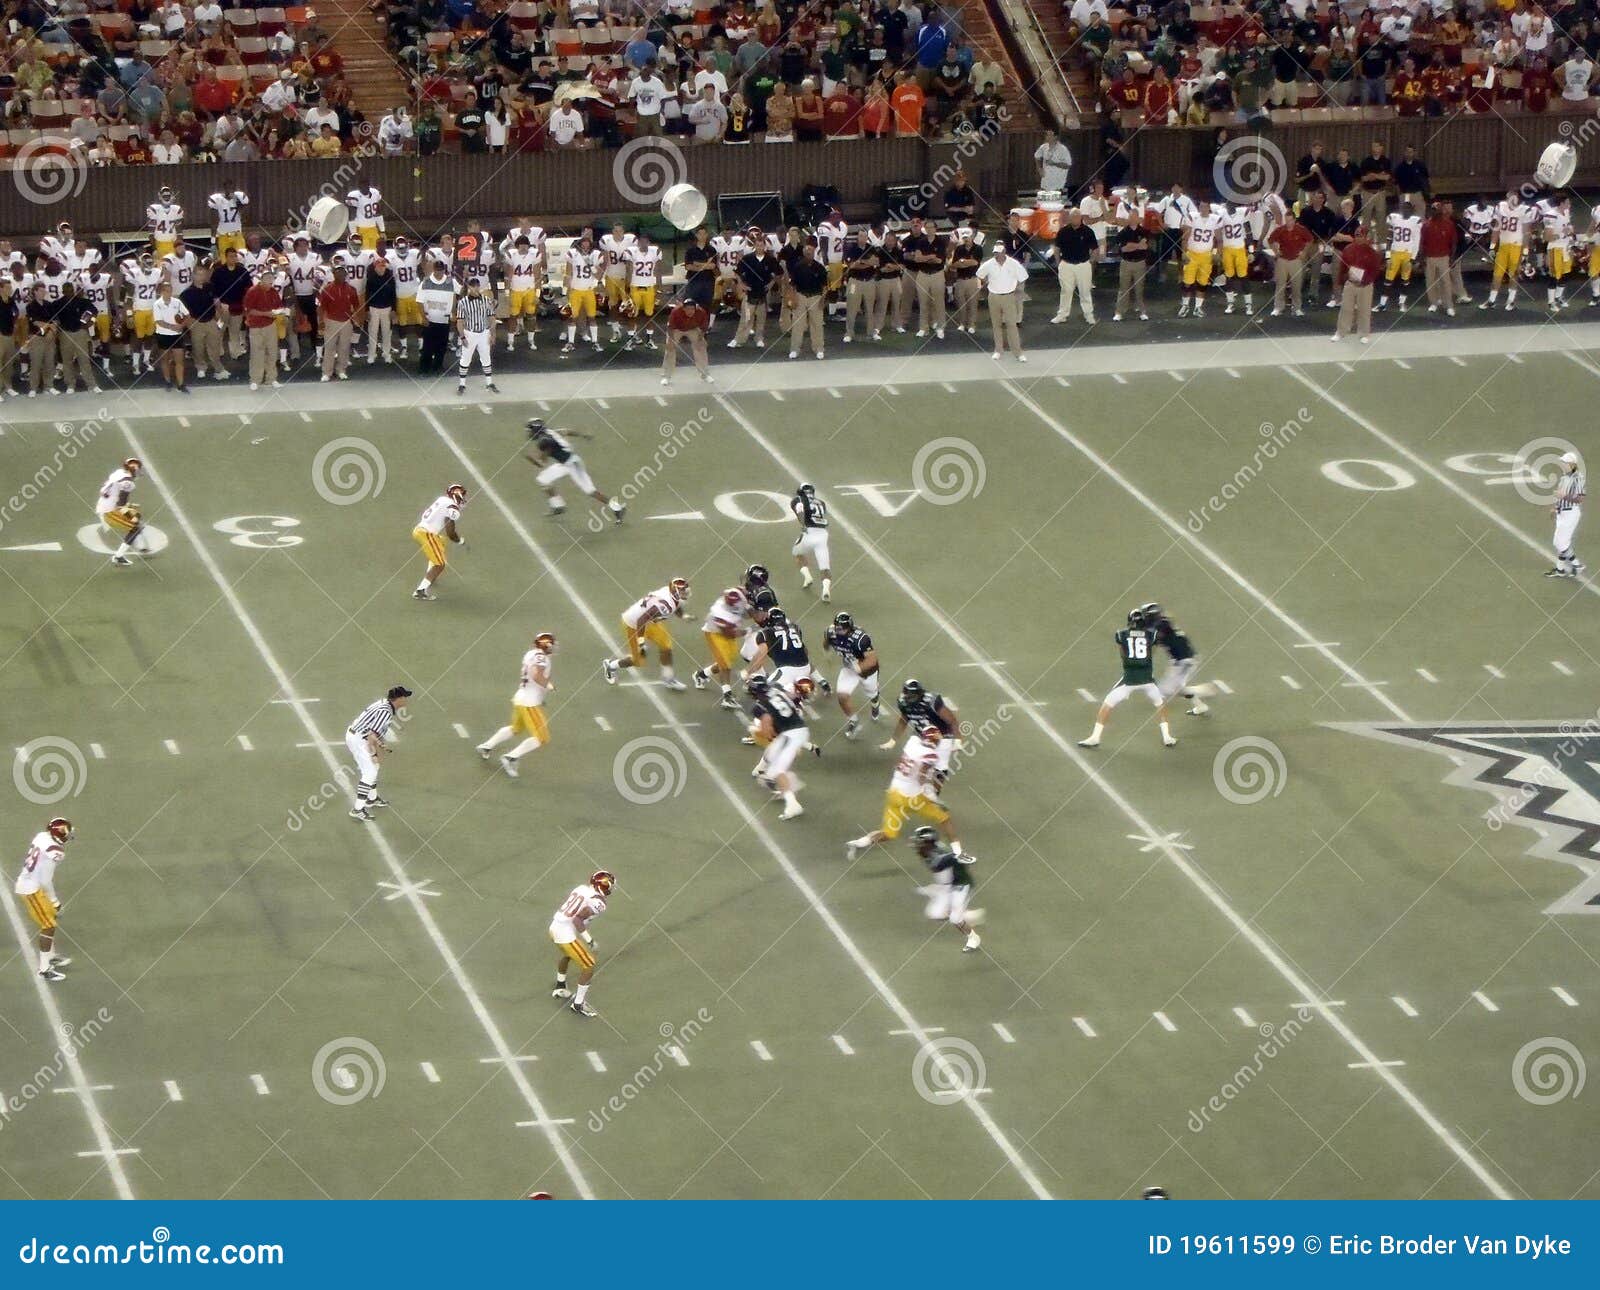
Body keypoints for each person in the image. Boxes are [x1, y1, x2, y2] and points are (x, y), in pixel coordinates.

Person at [1078, 607, 1177, 749]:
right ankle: (1167, 736)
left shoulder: (1121, 634)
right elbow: (1151, 653)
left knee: (1107, 704)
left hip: (1129, 678)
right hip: (1147, 678)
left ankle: (1095, 737)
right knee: (1159, 703)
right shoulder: (1151, 635)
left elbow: (1123, 654)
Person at [477, 632, 557, 777]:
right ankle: (510, 757)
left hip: (521, 697)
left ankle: (486, 746)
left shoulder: (530, 654)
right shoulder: (541, 658)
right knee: (541, 737)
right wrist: (548, 685)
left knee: (516, 728)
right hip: (529, 703)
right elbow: (536, 674)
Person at [603, 578, 692, 690]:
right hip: (633, 624)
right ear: (675, 591)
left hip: (650, 621)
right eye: (682, 591)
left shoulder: (670, 594)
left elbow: (677, 606)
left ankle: (668, 678)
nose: (685, 593)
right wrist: (641, 642)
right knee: (638, 661)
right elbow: (641, 620)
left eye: (685, 590)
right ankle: (610, 665)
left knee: (666, 647)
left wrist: (684, 616)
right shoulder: (663, 605)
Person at [15, 817, 75, 981]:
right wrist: (55, 901)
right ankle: (44, 969)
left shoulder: (42, 836)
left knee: (51, 918)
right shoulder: (55, 852)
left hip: (34, 884)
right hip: (31, 888)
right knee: (48, 925)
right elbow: (45, 880)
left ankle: (51, 955)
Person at [549, 870, 615, 1018]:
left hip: (554, 927)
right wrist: (589, 940)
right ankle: (578, 1004)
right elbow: (577, 920)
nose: (610, 889)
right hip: (565, 933)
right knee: (589, 965)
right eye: (608, 886)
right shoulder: (598, 902)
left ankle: (560, 986)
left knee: (568, 954)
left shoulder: (581, 888)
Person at [345, 686, 411, 820]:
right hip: (358, 739)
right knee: (370, 772)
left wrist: (378, 747)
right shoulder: (385, 712)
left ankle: (372, 799)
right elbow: (371, 736)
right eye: (404, 697)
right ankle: (357, 809)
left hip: (359, 736)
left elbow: (373, 733)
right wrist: (374, 755)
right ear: (398, 699)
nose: (406, 699)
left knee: (374, 767)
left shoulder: (385, 704)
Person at [912, 826, 982, 953]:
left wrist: (957, 857)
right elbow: (944, 866)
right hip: (947, 884)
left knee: (955, 918)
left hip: (961, 885)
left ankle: (973, 938)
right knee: (935, 914)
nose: (917, 845)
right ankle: (969, 915)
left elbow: (946, 861)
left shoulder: (939, 856)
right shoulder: (931, 853)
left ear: (928, 843)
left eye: (920, 842)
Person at [412, 483, 468, 601]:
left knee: (441, 541)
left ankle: (430, 574)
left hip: (421, 529)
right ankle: (420, 591)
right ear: (456, 496)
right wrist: (459, 541)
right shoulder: (452, 508)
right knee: (440, 564)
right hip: (427, 533)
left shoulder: (442, 499)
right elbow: (450, 532)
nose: (462, 498)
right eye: (461, 495)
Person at [975, 242, 1027, 362]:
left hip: (1009, 296)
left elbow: (1023, 277)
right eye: (995, 253)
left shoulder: (1013, 263)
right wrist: (983, 285)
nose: (997, 255)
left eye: (999, 253)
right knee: (996, 324)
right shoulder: (989, 264)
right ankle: (998, 350)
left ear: (1004, 252)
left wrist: (1017, 290)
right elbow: (979, 274)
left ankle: (1018, 352)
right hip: (993, 296)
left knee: (1011, 324)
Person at [1050, 207, 1100, 324]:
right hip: (1066, 265)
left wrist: (1091, 261)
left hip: (1083, 265)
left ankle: (1089, 315)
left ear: (1081, 217)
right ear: (1070, 218)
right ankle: (1062, 315)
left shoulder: (1088, 231)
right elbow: (1057, 248)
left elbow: (1095, 249)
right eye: (1073, 216)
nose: (1075, 219)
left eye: (1077, 216)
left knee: (1085, 291)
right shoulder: (1063, 231)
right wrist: (1059, 263)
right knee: (1066, 291)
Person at [1333, 224, 1381, 343]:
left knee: (1364, 310)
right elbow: (1343, 267)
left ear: (1366, 237)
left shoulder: (1372, 252)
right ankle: (1341, 332)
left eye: (1361, 236)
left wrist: (1365, 281)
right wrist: (1340, 281)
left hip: (1365, 285)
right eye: (1357, 235)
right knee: (1346, 308)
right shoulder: (1348, 249)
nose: (1358, 238)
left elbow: (1375, 270)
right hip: (1351, 283)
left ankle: (1364, 333)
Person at [52, 281, 98, 393]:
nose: (69, 293)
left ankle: (91, 384)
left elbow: (94, 312)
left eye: (71, 291)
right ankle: (70, 385)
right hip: (65, 334)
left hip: (80, 332)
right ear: (62, 292)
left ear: (74, 291)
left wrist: (90, 322)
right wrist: (56, 327)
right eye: (66, 291)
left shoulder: (83, 302)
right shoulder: (58, 303)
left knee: (84, 359)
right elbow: (52, 317)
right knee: (67, 360)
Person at [455, 278, 498, 394]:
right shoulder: (462, 302)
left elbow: (492, 318)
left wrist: (493, 334)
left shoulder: (486, 300)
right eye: (473, 286)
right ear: (469, 287)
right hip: (470, 333)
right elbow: (460, 321)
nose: (475, 288)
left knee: (486, 357)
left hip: (483, 332)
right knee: (465, 359)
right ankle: (462, 384)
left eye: (477, 286)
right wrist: (462, 337)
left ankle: (489, 382)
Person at [243, 270, 284, 390]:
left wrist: (282, 311)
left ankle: (271, 378)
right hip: (256, 326)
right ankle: (255, 379)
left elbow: (278, 306)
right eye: (268, 278)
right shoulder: (253, 291)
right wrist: (265, 314)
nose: (270, 281)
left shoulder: (273, 291)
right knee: (257, 353)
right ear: (262, 279)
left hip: (270, 325)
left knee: (272, 352)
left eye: (272, 278)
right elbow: (249, 310)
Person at [1547, 451, 1585, 578]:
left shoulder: (1578, 478)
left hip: (1571, 514)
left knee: (1559, 543)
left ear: (1572, 464)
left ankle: (1577, 565)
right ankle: (1560, 569)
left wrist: (1564, 496)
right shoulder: (1564, 477)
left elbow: (1580, 499)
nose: (1562, 464)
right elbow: (1560, 496)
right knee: (1562, 542)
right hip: (1562, 513)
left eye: (1565, 463)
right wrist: (1555, 508)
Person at [786, 242, 827, 360]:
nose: (809, 253)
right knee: (798, 324)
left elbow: (824, 286)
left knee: (817, 325)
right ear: (804, 253)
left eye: (811, 251)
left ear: (814, 253)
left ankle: (819, 348)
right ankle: (795, 349)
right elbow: (792, 285)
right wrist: (793, 298)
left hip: (815, 297)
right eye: (807, 251)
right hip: (800, 296)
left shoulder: (820, 268)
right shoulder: (797, 267)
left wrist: (822, 300)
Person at [151, 279, 191, 392]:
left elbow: (187, 315)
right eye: (166, 291)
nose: (169, 293)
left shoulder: (177, 302)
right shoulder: (157, 304)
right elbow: (159, 321)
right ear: (162, 292)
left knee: (179, 360)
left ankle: (181, 383)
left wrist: (181, 326)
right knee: (165, 359)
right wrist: (171, 327)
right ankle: (168, 381)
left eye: (170, 290)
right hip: (163, 335)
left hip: (177, 335)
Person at [662, 295, 712, 385]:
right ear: (683, 308)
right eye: (688, 309)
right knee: (670, 349)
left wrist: (700, 339)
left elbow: (704, 327)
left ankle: (705, 374)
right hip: (676, 329)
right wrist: (671, 341)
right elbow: (670, 327)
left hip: (693, 328)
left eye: (692, 309)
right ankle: (666, 376)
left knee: (701, 347)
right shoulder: (676, 311)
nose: (690, 311)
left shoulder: (701, 312)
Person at [417, 263, 456, 374]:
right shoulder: (426, 282)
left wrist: (453, 312)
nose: (439, 272)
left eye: (441, 270)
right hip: (430, 319)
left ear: (444, 270)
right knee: (427, 346)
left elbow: (454, 296)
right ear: (434, 270)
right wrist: (423, 317)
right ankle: (424, 368)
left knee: (442, 346)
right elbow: (419, 301)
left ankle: (438, 366)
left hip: (444, 319)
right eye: (438, 270)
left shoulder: (450, 282)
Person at [364, 253, 396, 362]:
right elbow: (367, 295)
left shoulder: (390, 277)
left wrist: (394, 309)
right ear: (375, 267)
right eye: (379, 265)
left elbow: (393, 294)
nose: (381, 267)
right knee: (373, 332)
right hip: (374, 308)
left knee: (386, 332)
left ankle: (386, 354)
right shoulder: (371, 278)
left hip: (387, 308)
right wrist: (367, 310)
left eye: (383, 265)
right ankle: (371, 355)